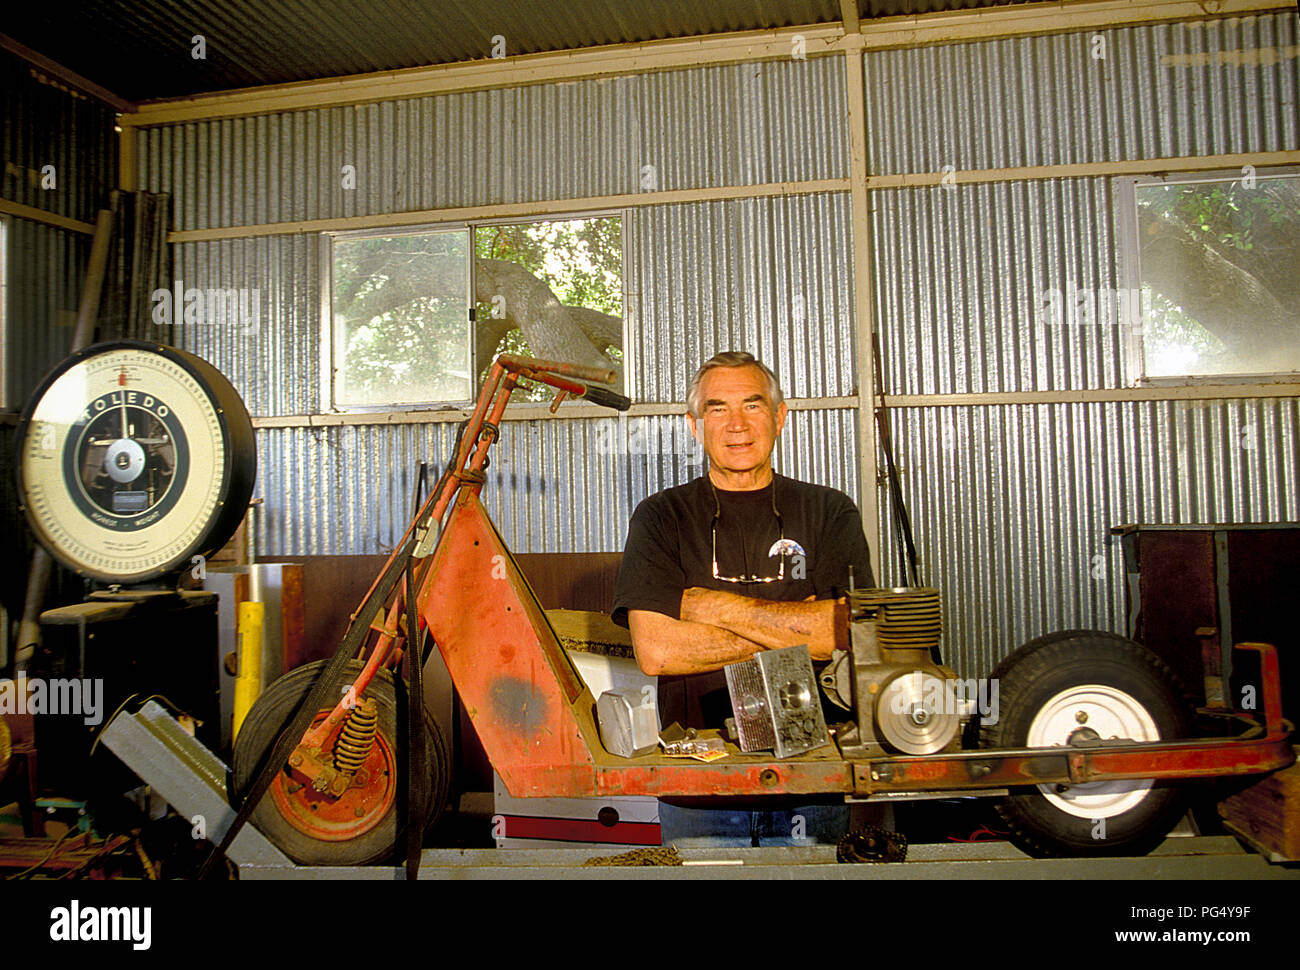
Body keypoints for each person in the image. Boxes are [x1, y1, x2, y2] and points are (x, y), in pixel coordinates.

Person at [611, 351, 874, 847]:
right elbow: (658, 651)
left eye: (753, 406)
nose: (737, 425)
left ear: (779, 416)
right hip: (697, 783)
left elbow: (842, 634)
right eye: (716, 409)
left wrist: (707, 604)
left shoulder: (829, 510)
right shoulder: (661, 517)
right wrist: (797, 622)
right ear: (694, 425)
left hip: (811, 773)